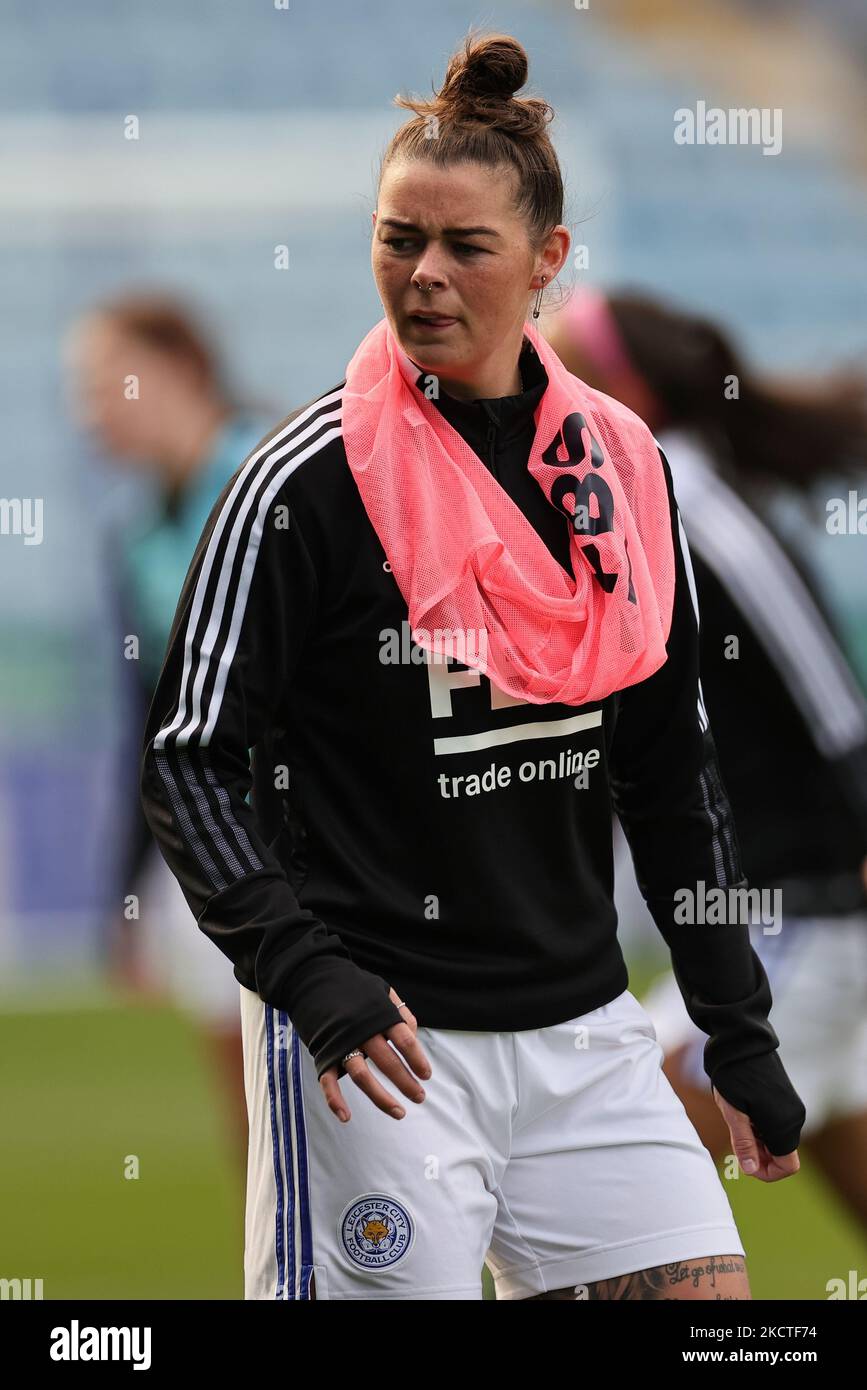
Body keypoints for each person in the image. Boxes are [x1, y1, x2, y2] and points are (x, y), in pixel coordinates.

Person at [140, 31, 805, 1302]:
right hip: (380, 1044)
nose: (425, 275)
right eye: (399, 239)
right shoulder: (302, 485)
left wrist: (734, 1026)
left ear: (548, 262)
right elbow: (191, 760)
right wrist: (306, 973)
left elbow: (672, 776)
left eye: (465, 246)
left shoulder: (622, 471)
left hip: (588, 1034)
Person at [544, 287, 867, 1233]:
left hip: (804, 915)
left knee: (605, 1146)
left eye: (562, 363)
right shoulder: (628, 507)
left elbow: (825, 690)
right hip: (781, 920)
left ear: (622, 389)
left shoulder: (694, 505)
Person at [64, 292, 276, 1168]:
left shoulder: (277, 474)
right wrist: (128, 890)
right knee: (255, 1123)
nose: (91, 411)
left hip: (327, 849)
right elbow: (149, 729)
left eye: (106, 382)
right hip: (220, 849)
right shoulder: (136, 539)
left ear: (183, 368)